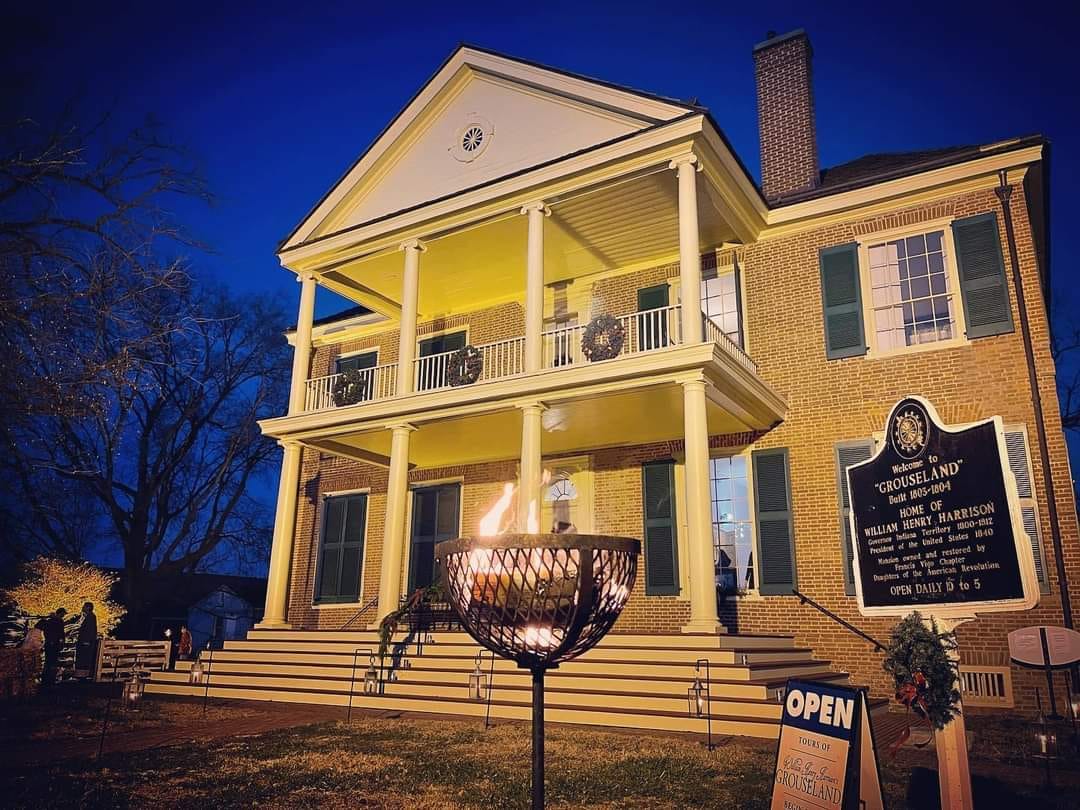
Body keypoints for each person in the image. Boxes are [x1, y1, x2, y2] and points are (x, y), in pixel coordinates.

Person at [38, 607, 67, 686]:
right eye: (63, 614)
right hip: (55, 644)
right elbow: (61, 633)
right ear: (60, 613)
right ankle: (51, 679)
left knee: (48, 661)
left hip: (49, 643)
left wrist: (49, 639)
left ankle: (45, 678)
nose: (64, 615)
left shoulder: (49, 621)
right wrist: (61, 641)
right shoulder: (59, 621)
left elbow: (46, 631)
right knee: (53, 661)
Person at [74, 602, 98, 679]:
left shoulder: (91, 617)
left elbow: (90, 629)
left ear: (88, 607)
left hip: (86, 642)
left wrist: (87, 640)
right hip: (85, 642)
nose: (82, 607)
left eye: (84, 606)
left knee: (83, 658)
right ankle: (82, 674)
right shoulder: (89, 616)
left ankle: (83, 675)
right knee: (83, 658)